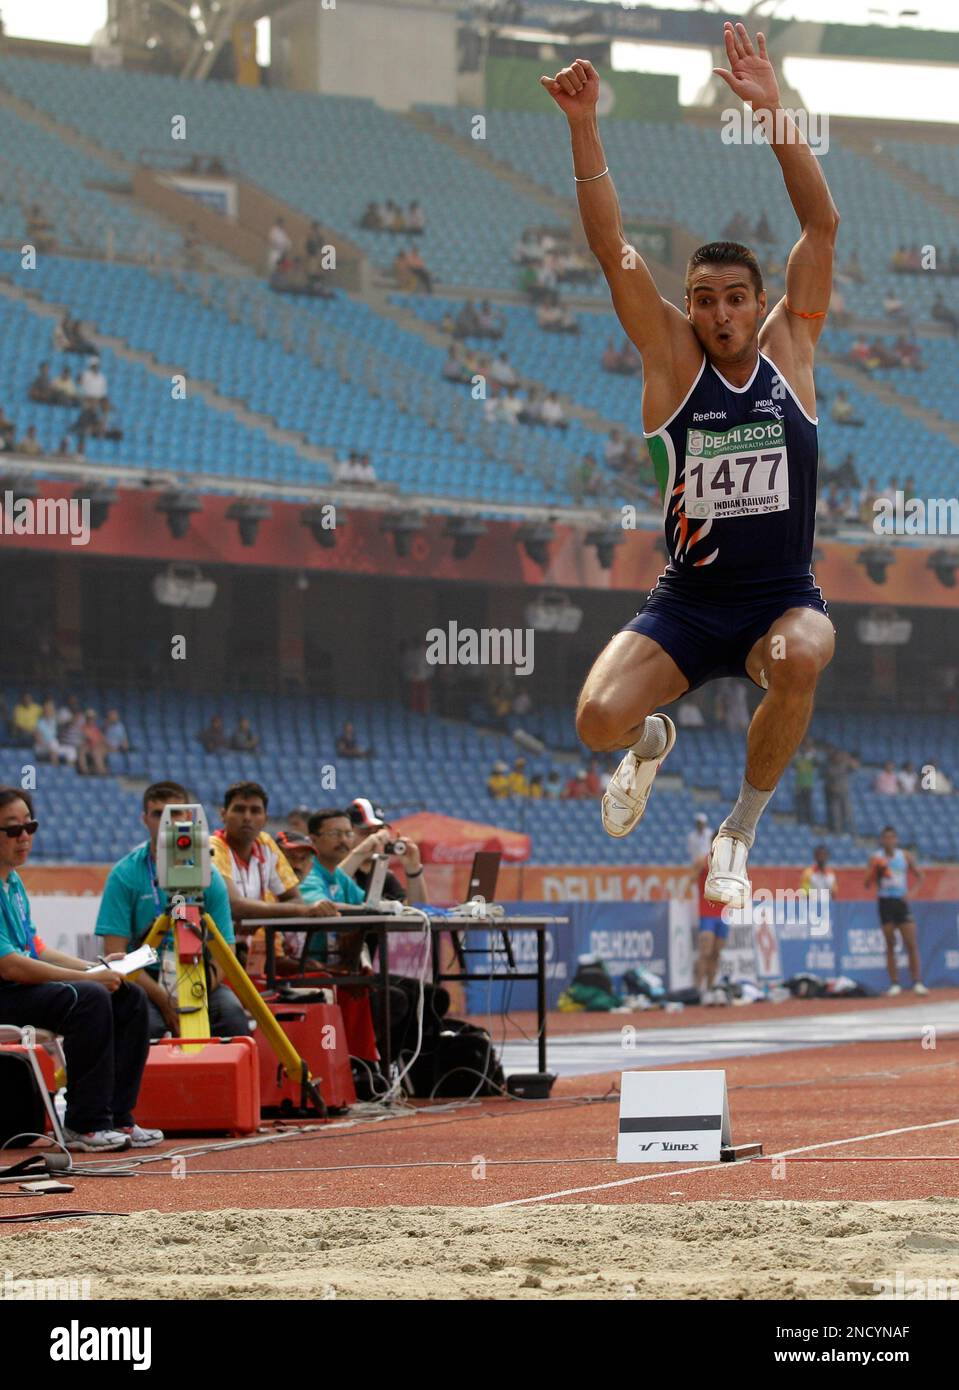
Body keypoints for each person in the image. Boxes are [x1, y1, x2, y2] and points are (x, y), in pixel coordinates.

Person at [544, 25, 839, 910]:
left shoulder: (792, 346)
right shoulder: (671, 364)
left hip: (778, 595)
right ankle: (649, 745)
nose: (719, 313)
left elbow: (820, 223)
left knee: (805, 653)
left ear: (759, 304)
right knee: (595, 723)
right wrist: (584, 124)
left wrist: (774, 113)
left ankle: (736, 832)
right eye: (702, 299)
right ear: (690, 304)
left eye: (734, 299)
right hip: (688, 600)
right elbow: (610, 249)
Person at [0, 787, 159, 1151]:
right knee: (88, 998)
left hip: (17, 988)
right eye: (12, 830)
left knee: (128, 996)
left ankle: (119, 1116)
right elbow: (10, 967)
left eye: (30, 826)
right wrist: (89, 980)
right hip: (5, 991)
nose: (24, 837)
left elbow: (37, 949)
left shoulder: (13, 882)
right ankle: (84, 1124)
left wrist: (97, 967)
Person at [96, 782, 251, 1041]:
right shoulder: (124, 875)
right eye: (158, 814)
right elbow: (115, 953)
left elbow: (225, 953)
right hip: (144, 980)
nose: (168, 822)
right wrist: (164, 999)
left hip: (200, 976)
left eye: (176, 813)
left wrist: (197, 993)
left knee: (232, 1018)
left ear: (189, 818)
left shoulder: (209, 877)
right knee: (147, 1026)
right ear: (145, 819)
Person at [210, 781, 338, 977]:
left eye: (255, 811)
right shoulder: (212, 848)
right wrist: (304, 911)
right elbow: (234, 906)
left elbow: (294, 898)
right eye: (239, 810)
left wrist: (256, 916)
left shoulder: (266, 844)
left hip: (253, 958)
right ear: (223, 814)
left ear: (265, 819)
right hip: (216, 955)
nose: (247, 817)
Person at [864, 827, 927, 996]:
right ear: (881, 840)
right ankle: (895, 983)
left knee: (911, 942)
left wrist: (912, 893)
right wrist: (875, 871)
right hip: (885, 902)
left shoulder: (904, 856)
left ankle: (917, 981)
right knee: (890, 943)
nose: (889, 841)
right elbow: (867, 883)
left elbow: (921, 876)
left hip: (901, 902)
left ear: (896, 840)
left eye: (892, 837)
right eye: (885, 838)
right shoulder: (876, 858)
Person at [34, 697, 76, 766]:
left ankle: (68, 773)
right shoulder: (39, 722)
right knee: (53, 744)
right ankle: (55, 771)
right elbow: (38, 739)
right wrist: (47, 743)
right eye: (48, 708)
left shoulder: (54, 720)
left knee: (71, 750)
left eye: (51, 707)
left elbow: (64, 722)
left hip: (54, 746)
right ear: (44, 709)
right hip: (41, 747)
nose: (50, 709)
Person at [77, 709, 108, 776]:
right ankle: (84, 770)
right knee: (83, 750)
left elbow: (102, 740)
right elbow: (88, 738)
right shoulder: (83, 727)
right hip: (87, 747)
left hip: (96, 748)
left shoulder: (95, 728)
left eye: (92, 718)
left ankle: (101, 771)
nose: (91, 720)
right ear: (86, 719)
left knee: (97, 751)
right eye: (89, 718)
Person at [792, 743, 816, 824]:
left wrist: (812, 753)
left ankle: (809, 822)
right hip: (799, 785)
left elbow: (819, 761)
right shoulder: (798, 759)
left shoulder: (811, 759)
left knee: (808, 804)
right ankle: (800, 821)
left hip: (808, 785)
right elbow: (793, 763)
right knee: (800, 804)